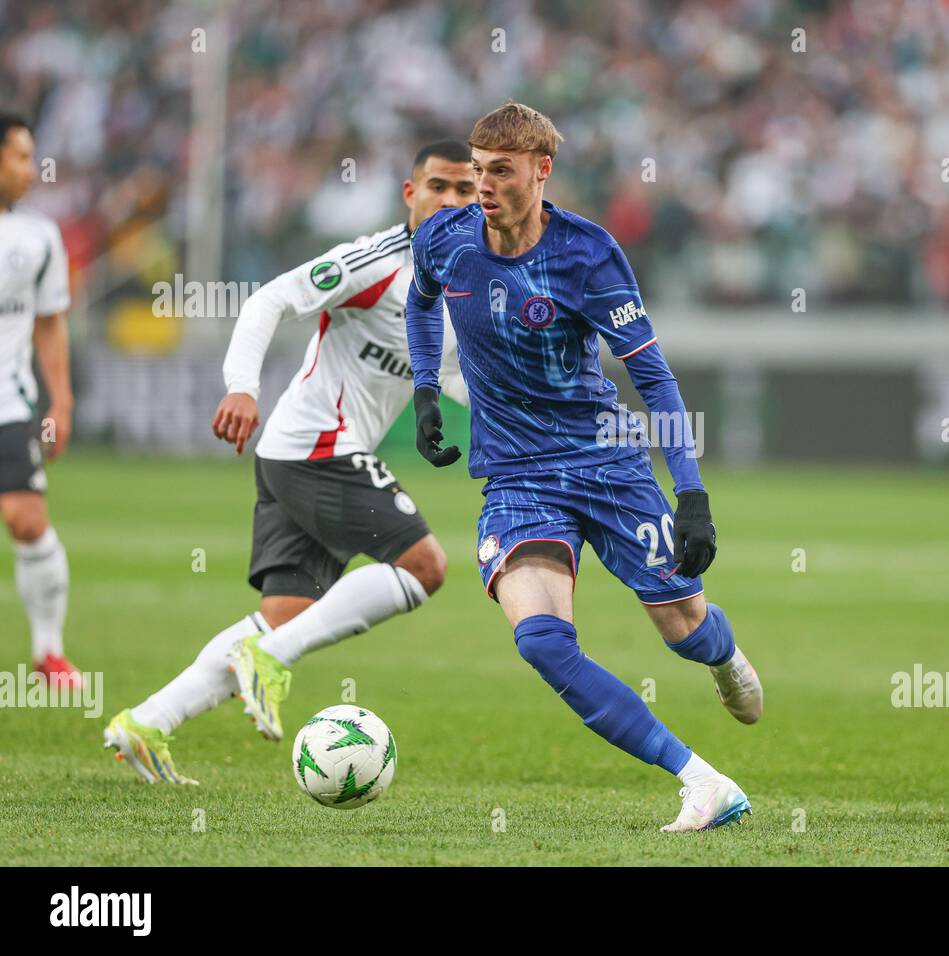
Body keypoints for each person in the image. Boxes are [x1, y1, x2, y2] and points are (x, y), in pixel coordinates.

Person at [406, 103, 762, 832]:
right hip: (518, 477)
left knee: (683, 627)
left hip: (605, 463)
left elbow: (654, 378)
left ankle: (722, 656)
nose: (484, 187)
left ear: (542, 170)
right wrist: (424, 389)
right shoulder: (445, 237)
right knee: (541, 642)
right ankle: (701, 780)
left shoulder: (588, 254)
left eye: (501, 172)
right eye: (478, 171)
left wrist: (692, 494)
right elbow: (421, 301)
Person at [104, 142, 476, 783]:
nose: (450, 200)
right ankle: (271, 659)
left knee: (285, 616)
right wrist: (241, 385)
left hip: (295, 454)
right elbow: (269, 299)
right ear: (409, 194)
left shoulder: (467, 282)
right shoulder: (377, 261)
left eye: (464, 190)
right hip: (317, 446)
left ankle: (146, 722)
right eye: (437, 186)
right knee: (425, 567)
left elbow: (451, 374)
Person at [0, 112, 78, 689]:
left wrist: (61, 401)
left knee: (26, 521)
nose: (32, 169)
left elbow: (50, 322)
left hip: (10, 399)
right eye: (22, 157)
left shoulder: (37, 236)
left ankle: (49, 652)